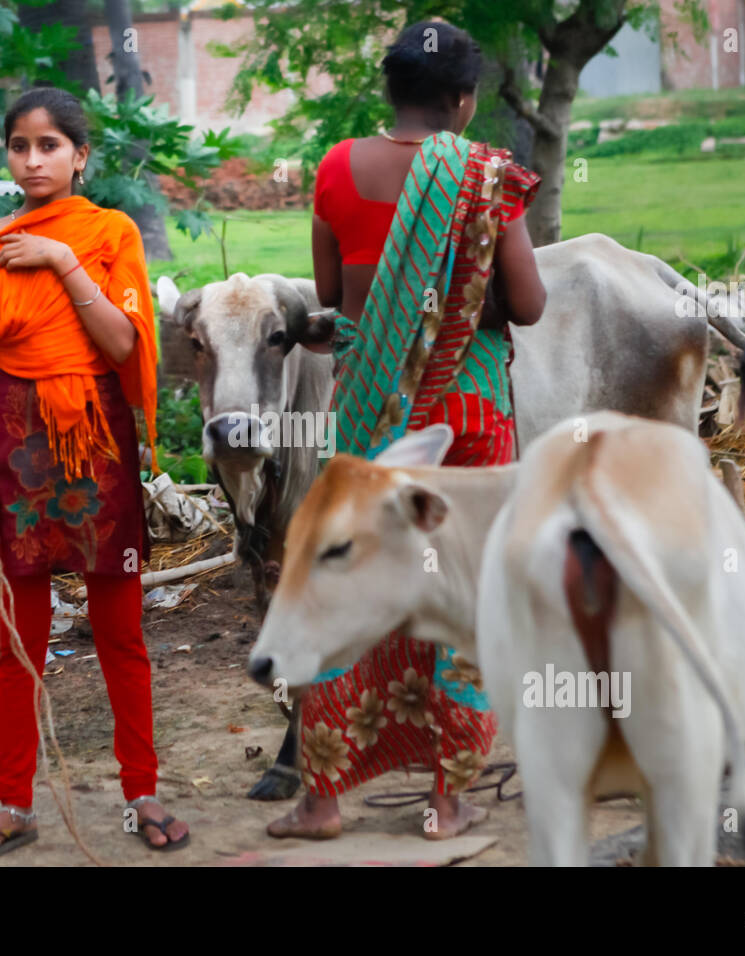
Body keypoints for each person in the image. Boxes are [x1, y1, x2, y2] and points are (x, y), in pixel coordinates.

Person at [267, 20, 546, 840]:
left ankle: (321, 799)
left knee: (346, 589)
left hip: (370, 423)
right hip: (466, 418)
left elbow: (333, 299)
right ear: (463, 101)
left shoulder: (336, 169)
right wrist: (467, 301)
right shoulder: (488, 177)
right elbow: (528, 306)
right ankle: (448, 798)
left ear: (388, 91)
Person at [0, 86, 189, 859]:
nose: (32, 160)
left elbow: (123, 344)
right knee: (19, 641)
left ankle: (142, 791)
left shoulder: (107, 234)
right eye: (19, 146)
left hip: (97, 442)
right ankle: (15, 803)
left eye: (49, 145)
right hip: (16, 443)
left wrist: (59, 259)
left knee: (121, 633)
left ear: (80, 156)